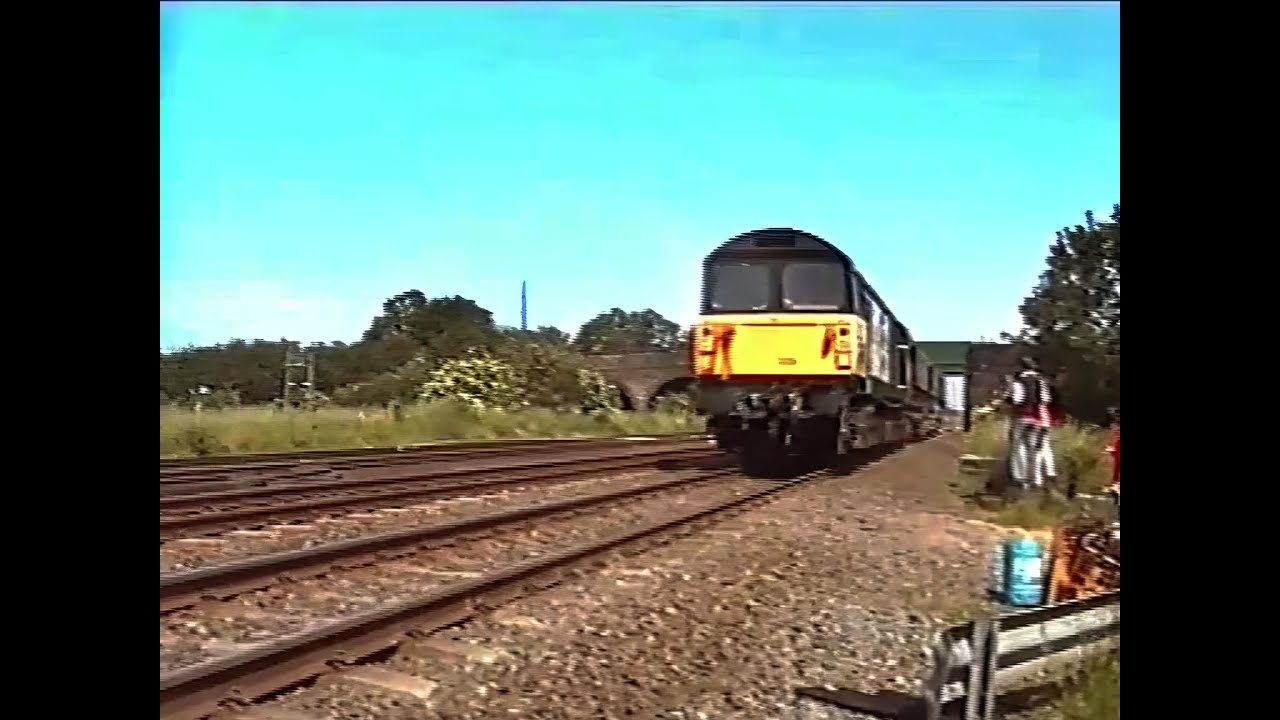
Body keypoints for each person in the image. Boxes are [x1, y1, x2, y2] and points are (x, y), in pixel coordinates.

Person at [1004, 356, 1056, 498]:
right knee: (1035, 449)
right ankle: (1037, 479)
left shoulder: (1018, 380)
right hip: (1038, 419)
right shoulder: (1041, 380)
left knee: (1018, 448)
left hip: (1022, 417)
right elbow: (1046, 400)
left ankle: (1020, 478)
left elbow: (1015, 399)